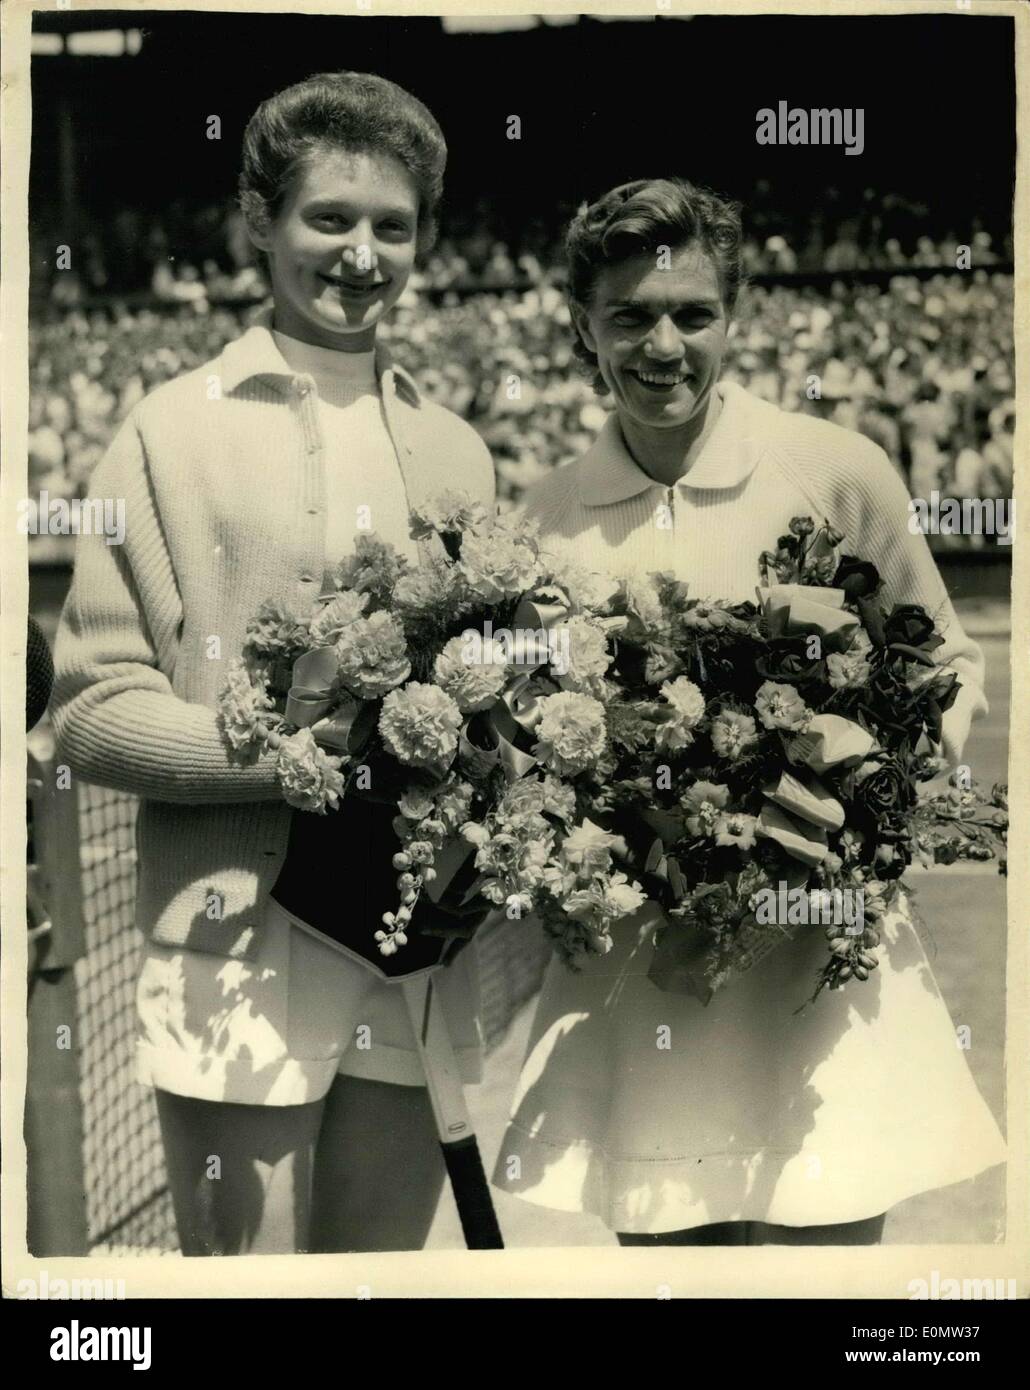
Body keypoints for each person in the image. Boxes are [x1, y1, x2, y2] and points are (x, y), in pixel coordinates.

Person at [492, 178, 1006, 1245]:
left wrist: (857, 795)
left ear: (736, 318)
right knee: (676, 1272)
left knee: (825, 1270)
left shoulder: (835, 469)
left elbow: (942, 658)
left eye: (691, 313)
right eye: (629, 315)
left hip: (816, 958)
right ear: (582, 326)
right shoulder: (537, 519)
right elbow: (521, 737)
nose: (662, 344)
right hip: (641, 984)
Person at [52, 71, 495, 1255]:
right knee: (240, 1293)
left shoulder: (454, 447)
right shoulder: (168, 426)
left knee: (376, 1282)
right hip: (227, 934)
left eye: (393, 226)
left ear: (428, 238)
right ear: (260, 222)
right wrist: (286, 758)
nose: (362, 255)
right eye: (329, 219)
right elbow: (91, 709)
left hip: (411, 945)